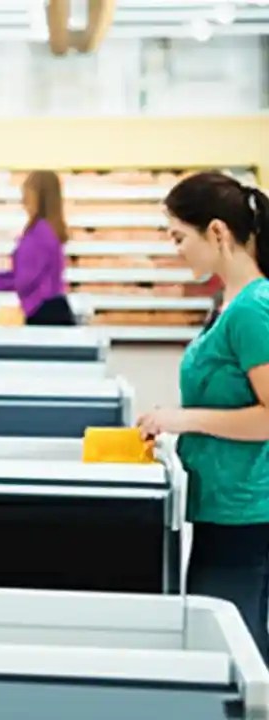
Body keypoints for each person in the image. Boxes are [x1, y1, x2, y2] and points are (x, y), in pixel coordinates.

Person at [137, 172, 269, 659]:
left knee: (232, 657)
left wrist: (181, 419)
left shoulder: (254, 308)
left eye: (178, 237)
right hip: (223, 507)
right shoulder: (230, 302)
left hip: (246, 514)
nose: (176, 249)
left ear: (216, 232)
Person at [0, 170, 75, 325]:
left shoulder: (39, 234)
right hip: (51, 309)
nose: (23, 201)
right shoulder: (49, 230)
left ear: (38, 197)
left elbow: (22, 280)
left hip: (43, 313)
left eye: (27, 193)